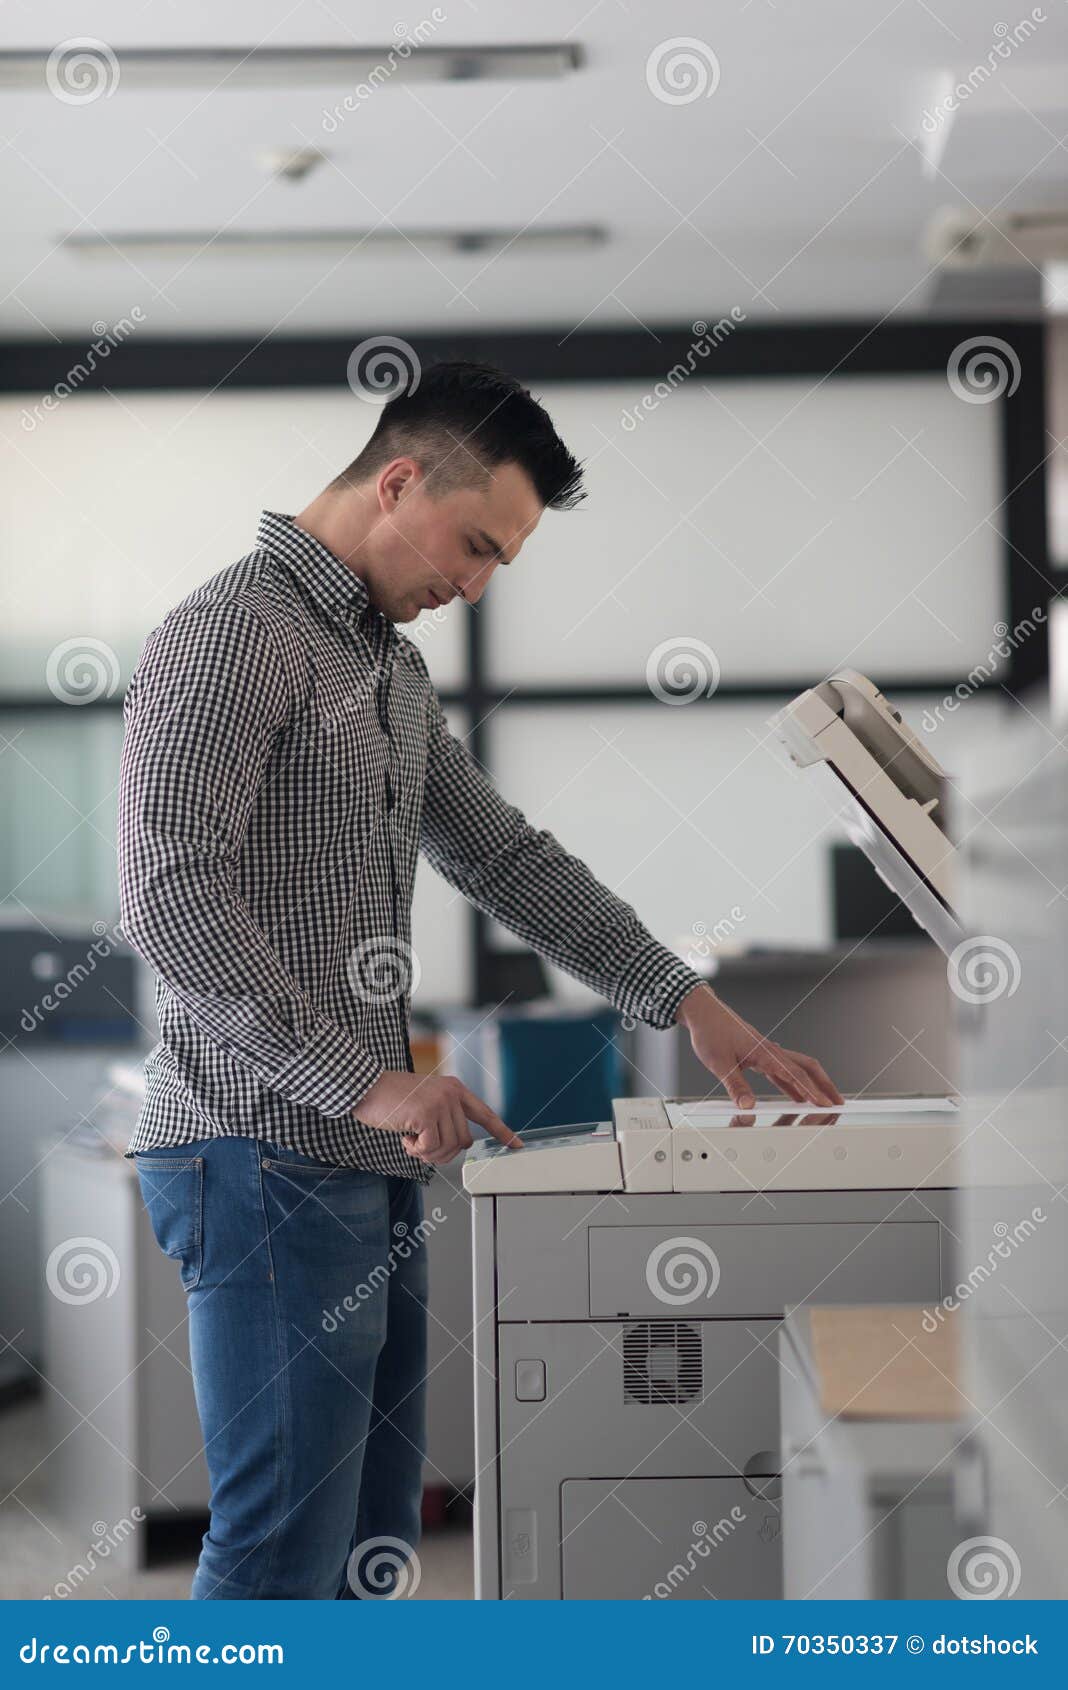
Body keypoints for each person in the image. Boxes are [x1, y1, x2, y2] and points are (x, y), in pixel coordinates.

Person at [117, 359, 841, 1599]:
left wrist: (692, 1005)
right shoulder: (234, 633)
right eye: (474, 544)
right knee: (278, 1546)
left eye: (502, 560)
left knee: (373, 1542)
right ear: (396, 481)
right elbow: (168, 891)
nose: (476, 582)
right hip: (259, 1149)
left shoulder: (385, 668)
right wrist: (366, 1083)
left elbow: (504, 856)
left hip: (354, 1152)